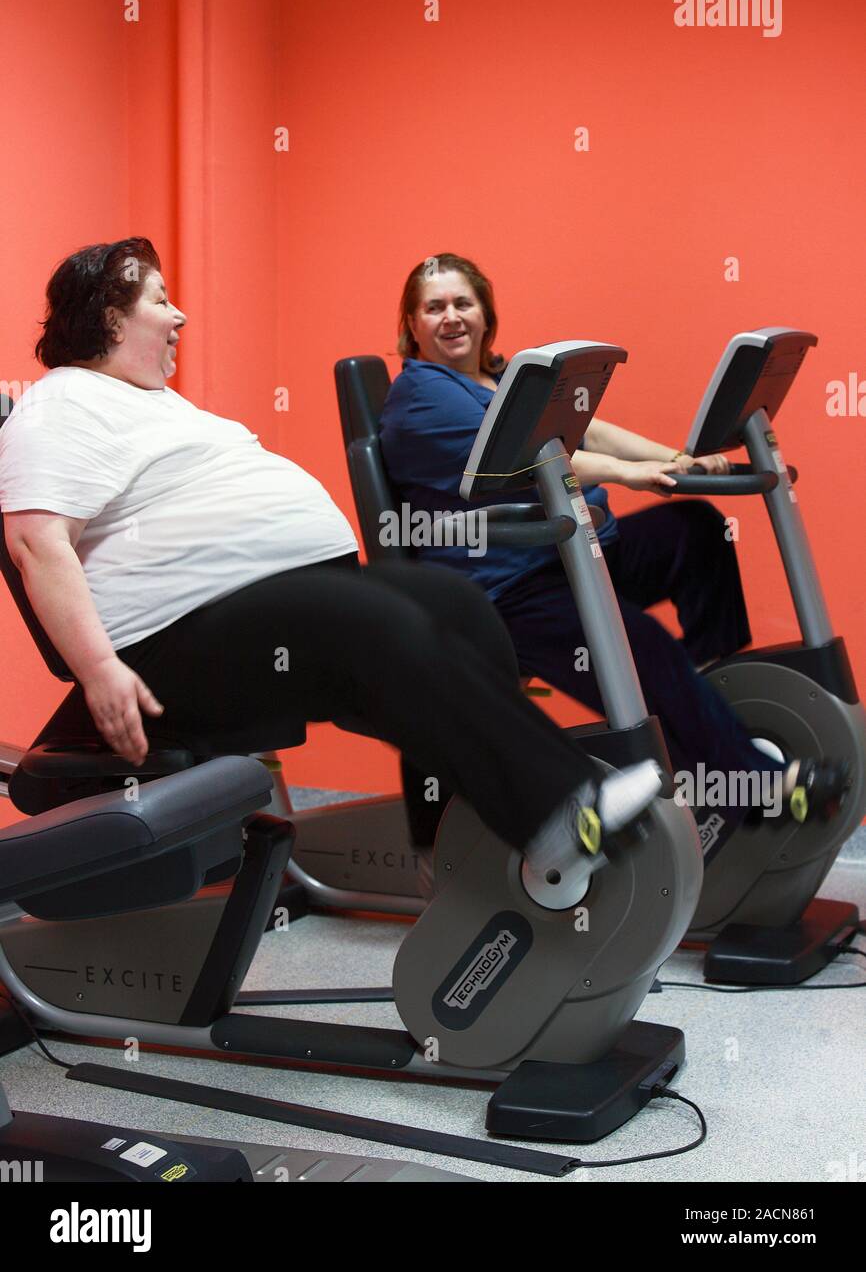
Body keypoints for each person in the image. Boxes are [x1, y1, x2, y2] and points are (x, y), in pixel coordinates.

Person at [0, 238, 666, 900]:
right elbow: (37, 542)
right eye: (161, 300)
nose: (180, 318)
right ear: (111, 318)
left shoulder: (151, 402)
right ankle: (561, 807)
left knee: (453, 604)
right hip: (169, 647)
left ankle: (455, 848)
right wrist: (99, 671)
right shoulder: (61, 404)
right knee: (367, 622)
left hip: (258, 608)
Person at [379, 252, 848, 860]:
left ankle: (711, 711)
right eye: (433, 307)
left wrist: (673, 459)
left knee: (694, 533)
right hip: (508, 590)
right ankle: (756, 789)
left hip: (574, 553)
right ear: (411, 324)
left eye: (462, 302)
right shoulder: (421, 398)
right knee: (640, 648)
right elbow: (533, 462)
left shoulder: (495, 379)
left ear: (485, 312)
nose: (451, 317)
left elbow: (587, 429)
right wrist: (634, 474)